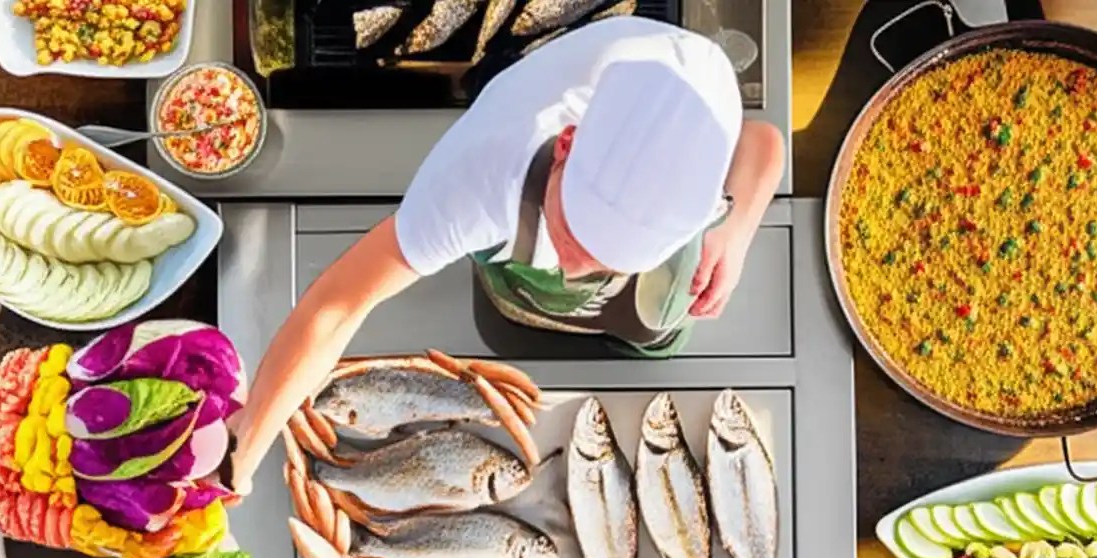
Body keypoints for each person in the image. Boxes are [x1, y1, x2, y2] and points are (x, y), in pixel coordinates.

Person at [229, 16, 786, 488]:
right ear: (566, 144)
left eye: (603, 260)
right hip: (513, 291)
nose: (570, 270)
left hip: (647, 310)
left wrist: (733, 234)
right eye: (569, 233)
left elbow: (762, 144)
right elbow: (336, 306)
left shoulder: (701, 96)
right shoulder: (471, 187)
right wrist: (248, 445)